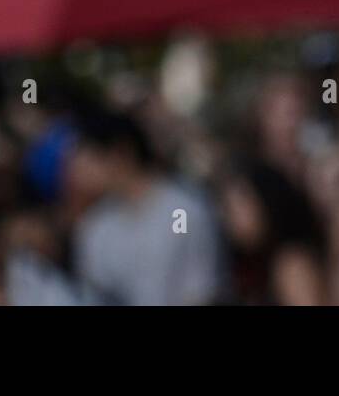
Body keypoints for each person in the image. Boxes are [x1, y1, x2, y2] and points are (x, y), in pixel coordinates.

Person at [68, 108, 224, 306]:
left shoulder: (184, 209)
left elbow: (202, 291)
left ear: (120, 153)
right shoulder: (95, 227)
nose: (78, 171)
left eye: (88, 159)